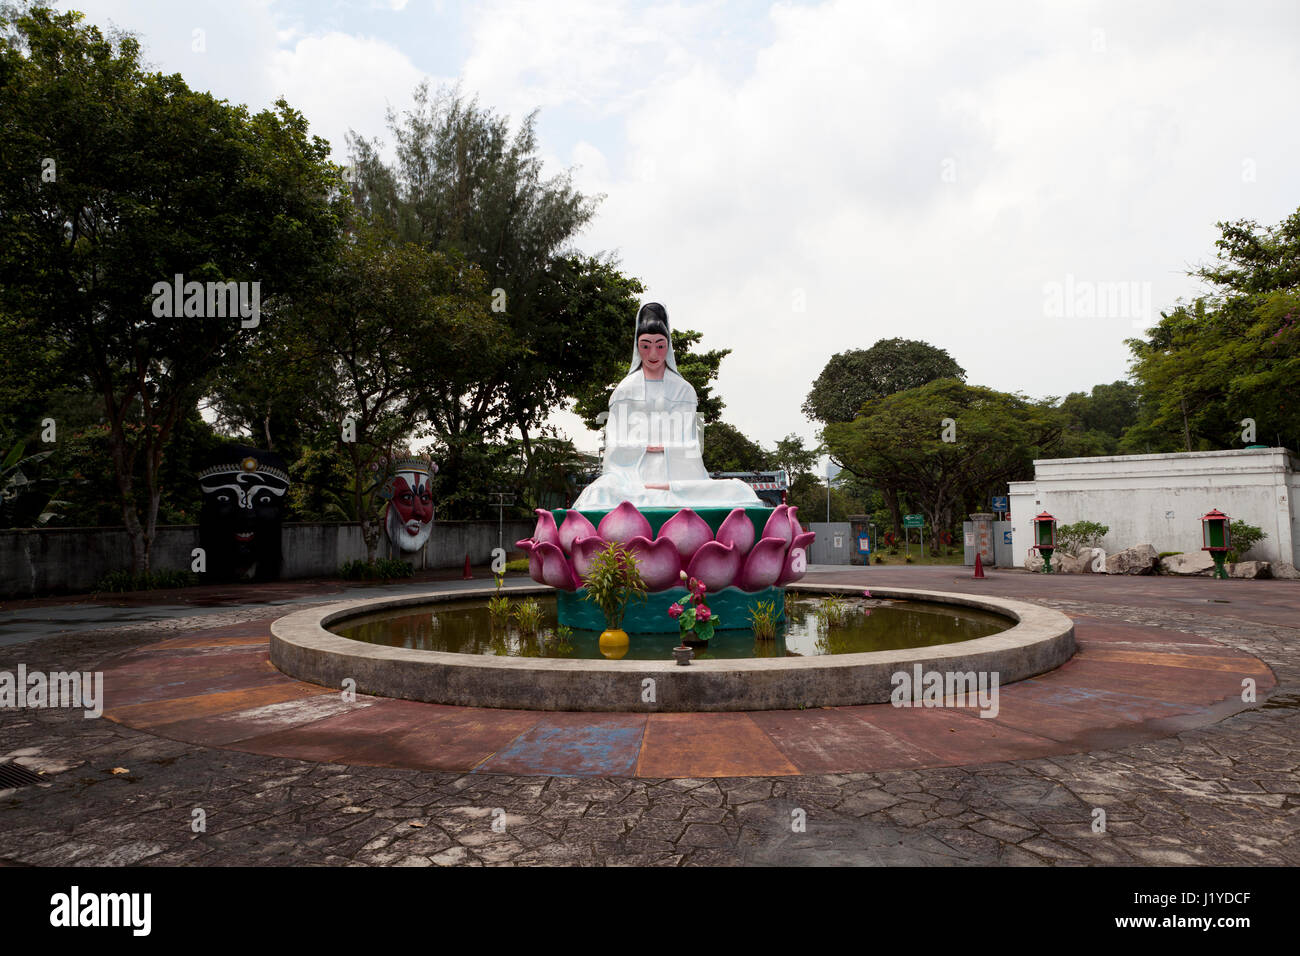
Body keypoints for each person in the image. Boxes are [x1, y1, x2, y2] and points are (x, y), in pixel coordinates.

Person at [572, 302, 761, 510]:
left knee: (738, 491)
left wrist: (666, 451)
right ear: (637, 346)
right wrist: (643, 447)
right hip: (630, 478)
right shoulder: (624, 391)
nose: (653, 354)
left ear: (668, 345)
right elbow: (615, 445)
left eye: (660, 345)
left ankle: (660, 496)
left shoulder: (683, 391)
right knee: (599, 493)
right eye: (646, 345)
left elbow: (691, 447)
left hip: (679, 479)